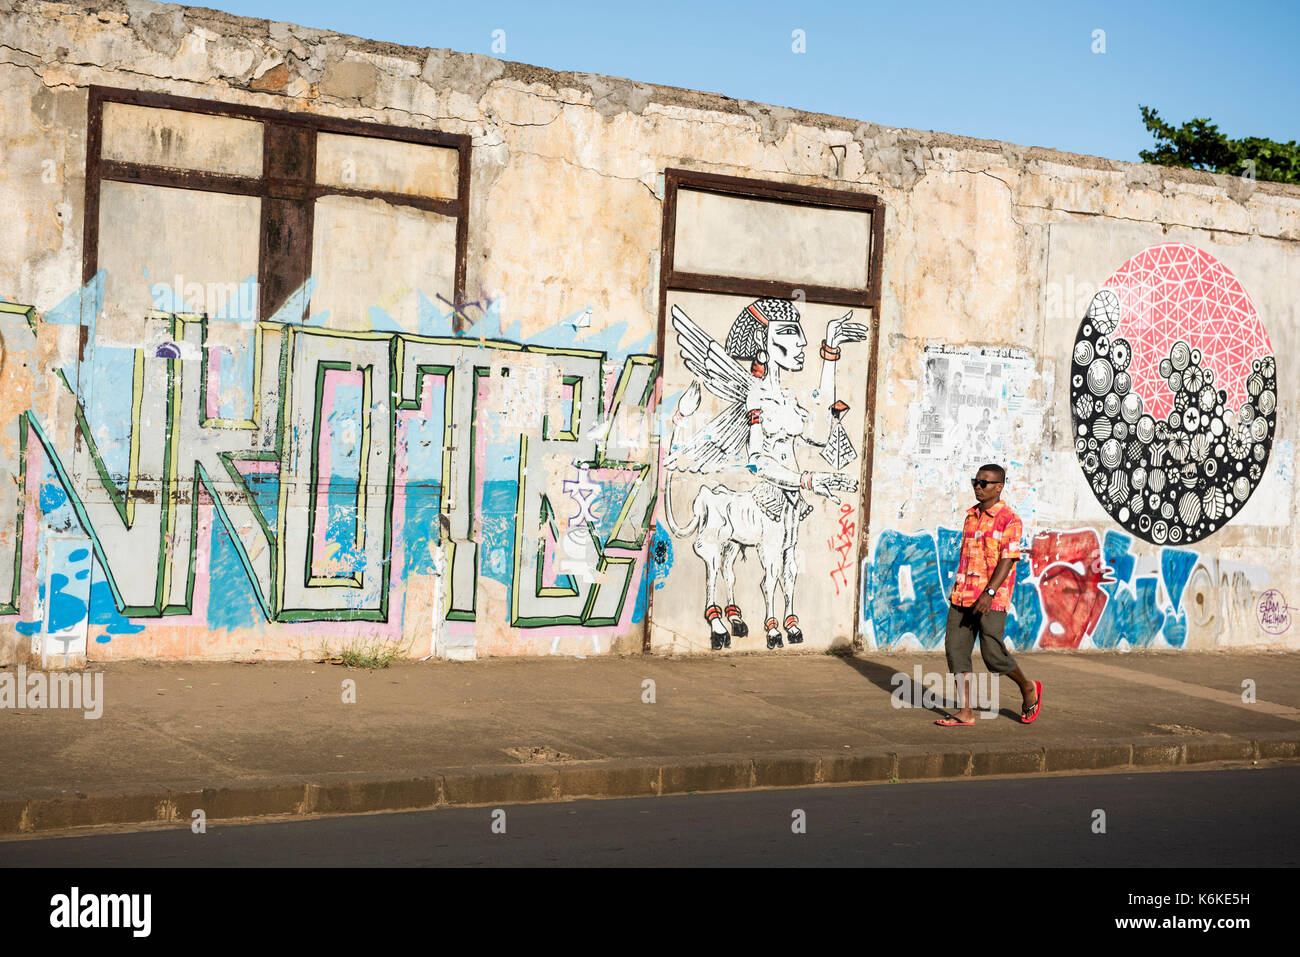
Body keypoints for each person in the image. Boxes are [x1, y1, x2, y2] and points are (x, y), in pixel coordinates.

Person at [935, 463, 1043, 726]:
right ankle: (966, 711)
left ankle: (1028, 687)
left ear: (999, 487)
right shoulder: (971, 516)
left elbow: (1008, 559)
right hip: (963, 594)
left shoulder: (1010, 519)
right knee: (956, 650)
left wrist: (989, 592)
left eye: (984, 483)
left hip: (992, 597)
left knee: (992, 653)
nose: (978, 487)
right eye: (976, 482)